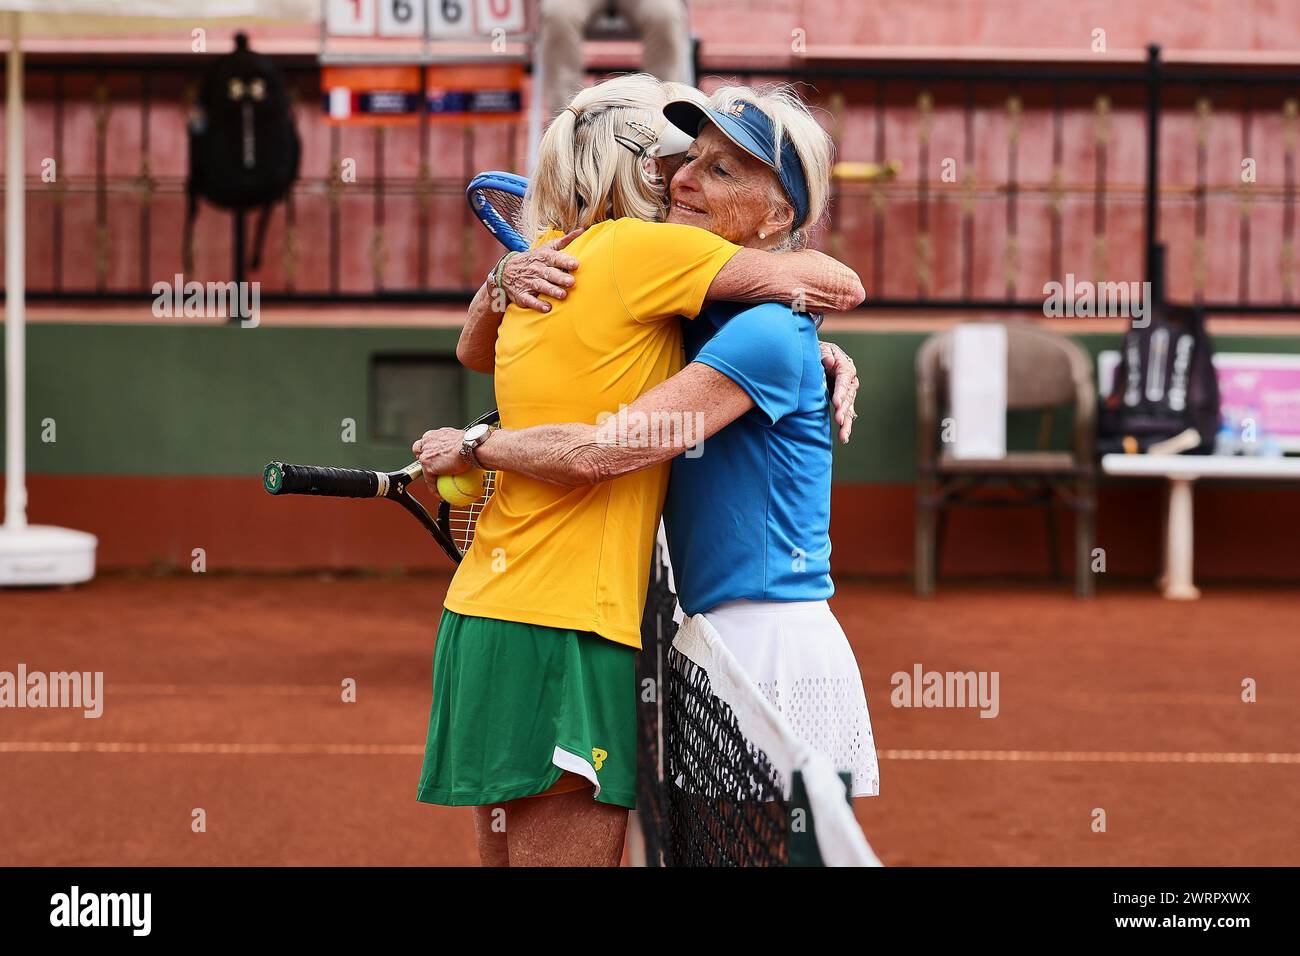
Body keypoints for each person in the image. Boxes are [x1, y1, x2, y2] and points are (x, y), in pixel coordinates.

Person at [412, 75, 865, 867]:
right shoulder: (672, 297)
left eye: (722, 171)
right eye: (687, 160)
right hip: (660, 632)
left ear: (779, 215)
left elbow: (604, 445)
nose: (685, 178)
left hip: (764, 647)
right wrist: (500, 279)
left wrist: (476, 443)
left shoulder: (710, 306)